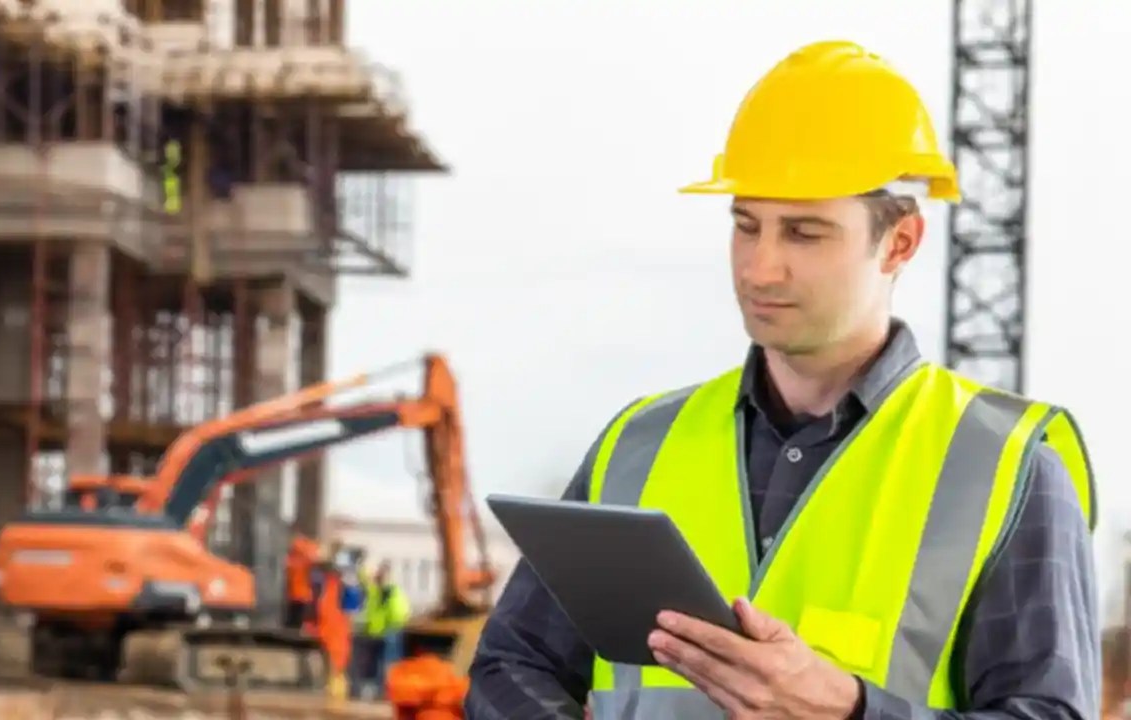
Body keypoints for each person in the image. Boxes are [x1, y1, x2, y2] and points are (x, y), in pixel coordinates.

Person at [465, 39, 1099, 720]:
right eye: (746, 226)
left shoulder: (1006, 468)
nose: (760, 268)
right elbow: (512, 665)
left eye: (803, 233)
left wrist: (853, 711)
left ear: (901, 242)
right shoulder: (637, 446)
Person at [351, 560, 413, 699]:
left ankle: (385, 691)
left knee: (386, 664)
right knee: (379, 664)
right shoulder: (376, 590)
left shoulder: (389, 591)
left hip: (389, 631)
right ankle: (380, 691)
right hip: (377, 632)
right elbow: (363, 579)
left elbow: (398, 612)